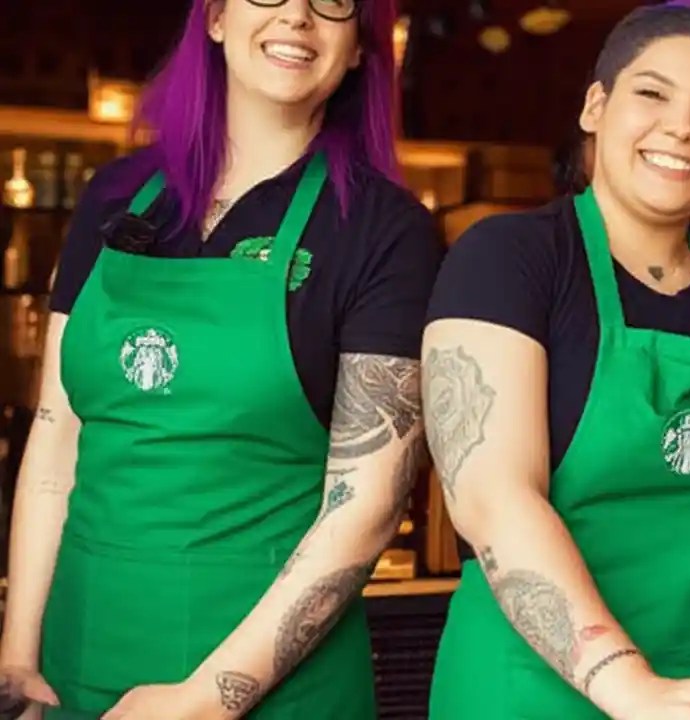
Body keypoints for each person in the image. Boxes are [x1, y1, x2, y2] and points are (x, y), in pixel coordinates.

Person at [0, 0, 442, 717]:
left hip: (277, 686)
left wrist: (208, 698)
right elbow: (58, 434)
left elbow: (364, 505)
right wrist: (18, 656)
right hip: (78, 662)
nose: (296, 16)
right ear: (213, 19)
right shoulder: (114, 198)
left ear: (361, 46)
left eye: (333, 2)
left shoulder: (383, 232)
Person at [421, 2, 690, 719]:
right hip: (538, 689)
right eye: (652, 94)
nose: (682, 129)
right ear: (596, 106)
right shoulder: (511, 260)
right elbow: (491, 497)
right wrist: (630, 685)